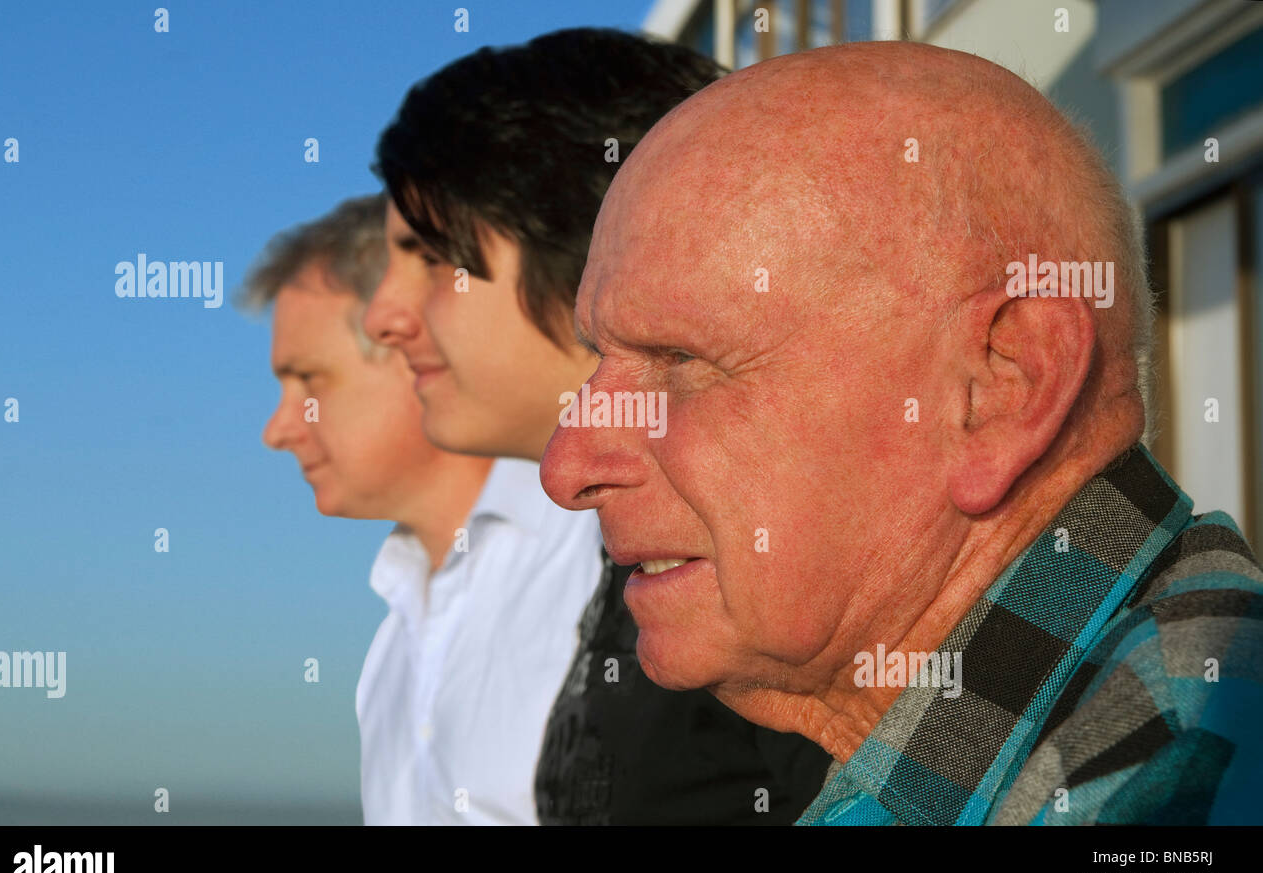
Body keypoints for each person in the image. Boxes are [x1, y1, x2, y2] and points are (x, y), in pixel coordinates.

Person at [539, 41, 1263, 825]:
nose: (567, 465)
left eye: (682, 358)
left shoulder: (1174, 791)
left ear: (1001, 385)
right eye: (599, 359)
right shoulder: (964, 767)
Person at [365, 28, 831, 824]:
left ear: (594, 230)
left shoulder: (773, 540)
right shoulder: (647, 541)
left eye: (437, 256)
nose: (383, 316)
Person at [242, 195, 598, 824]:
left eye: (309, 381)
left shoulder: (600, 549)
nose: (278, 428)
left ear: (413, 351)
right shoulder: (394, 641)